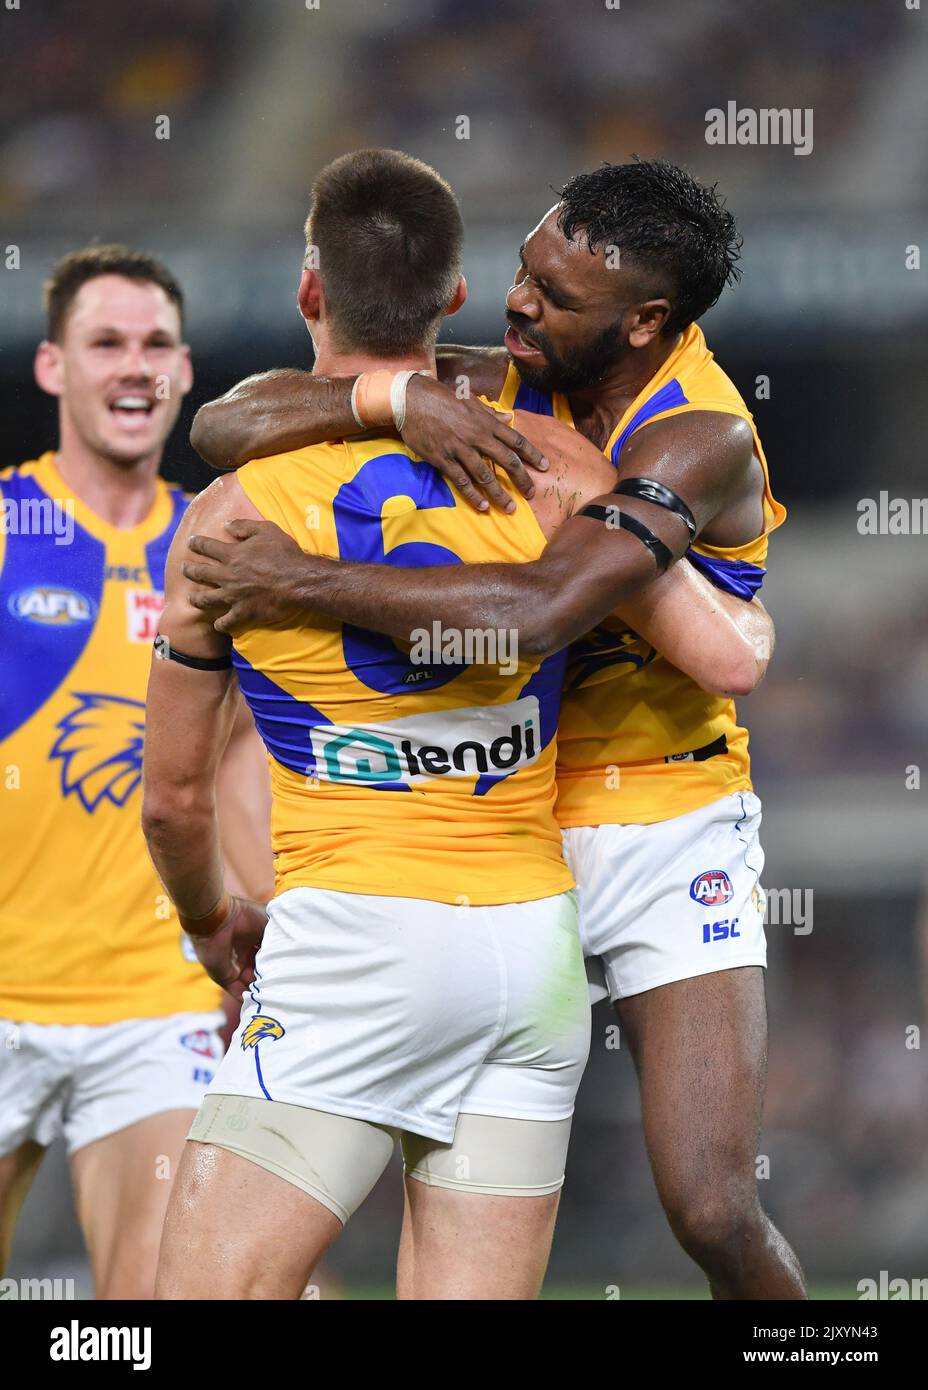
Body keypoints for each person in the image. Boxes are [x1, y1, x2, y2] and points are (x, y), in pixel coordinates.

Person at [144, 149, 773, 1301]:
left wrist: (301, 579)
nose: (519, 305)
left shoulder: (697, 435)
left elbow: (551, 621)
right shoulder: (508, 405)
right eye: (518, 272)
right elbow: (233, 415)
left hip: (655, 811)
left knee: (712, 1204)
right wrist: (400, 396)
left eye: (553, 296)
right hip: (528, 872)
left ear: (642, 322)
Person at [0, 246, 272, 1298]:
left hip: (153, 1002)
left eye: (155, 342)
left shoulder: (221, 546)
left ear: (187, 369)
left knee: (153, 1307)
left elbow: (240, 766)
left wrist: (257, 943)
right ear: (50, 369)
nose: (133, 364)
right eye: (104, 342)